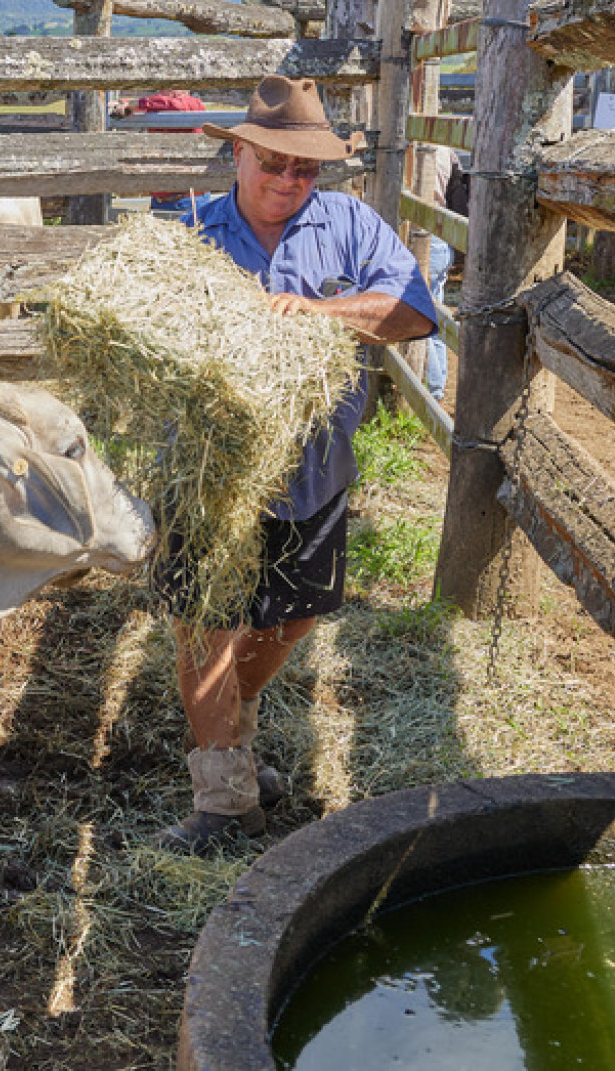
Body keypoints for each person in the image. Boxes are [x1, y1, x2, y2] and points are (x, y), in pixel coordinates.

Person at [160, 75, 437, 854]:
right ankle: (222, 801)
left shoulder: (348, 223)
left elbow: (413, 311)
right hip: (205, 466)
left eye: (305, 169)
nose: (288, 180)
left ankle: (228, 729)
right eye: (273, 162)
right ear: (239, 153)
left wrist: (313, 313)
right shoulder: (189, 233)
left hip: (314, 461)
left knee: (295, 614)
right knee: (203, 621)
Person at [113, 89, 210, 216]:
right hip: (162, 199)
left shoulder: (193, 104)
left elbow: (179, 105)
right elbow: (157, 103)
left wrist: (138, 103)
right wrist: (124, 104)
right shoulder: (155, 104)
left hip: (187, 200)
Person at [419, 145, 459, 402]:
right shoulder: (447, 151)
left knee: (424, 314)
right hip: (441, 237)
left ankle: (432, 388)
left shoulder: (416, 145)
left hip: (426, 237)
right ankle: (438, 382)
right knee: (436, 310)